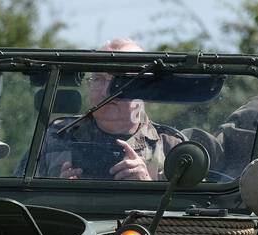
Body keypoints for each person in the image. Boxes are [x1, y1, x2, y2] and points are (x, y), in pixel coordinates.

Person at [40, 38, 186, 181]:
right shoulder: (56, 136)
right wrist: (57, 192)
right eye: (98, 79)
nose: (106, 92)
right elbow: (23, 196)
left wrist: (146, 186)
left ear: (144, 90)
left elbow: (191, 203)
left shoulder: (172, 147)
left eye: (120, 80)